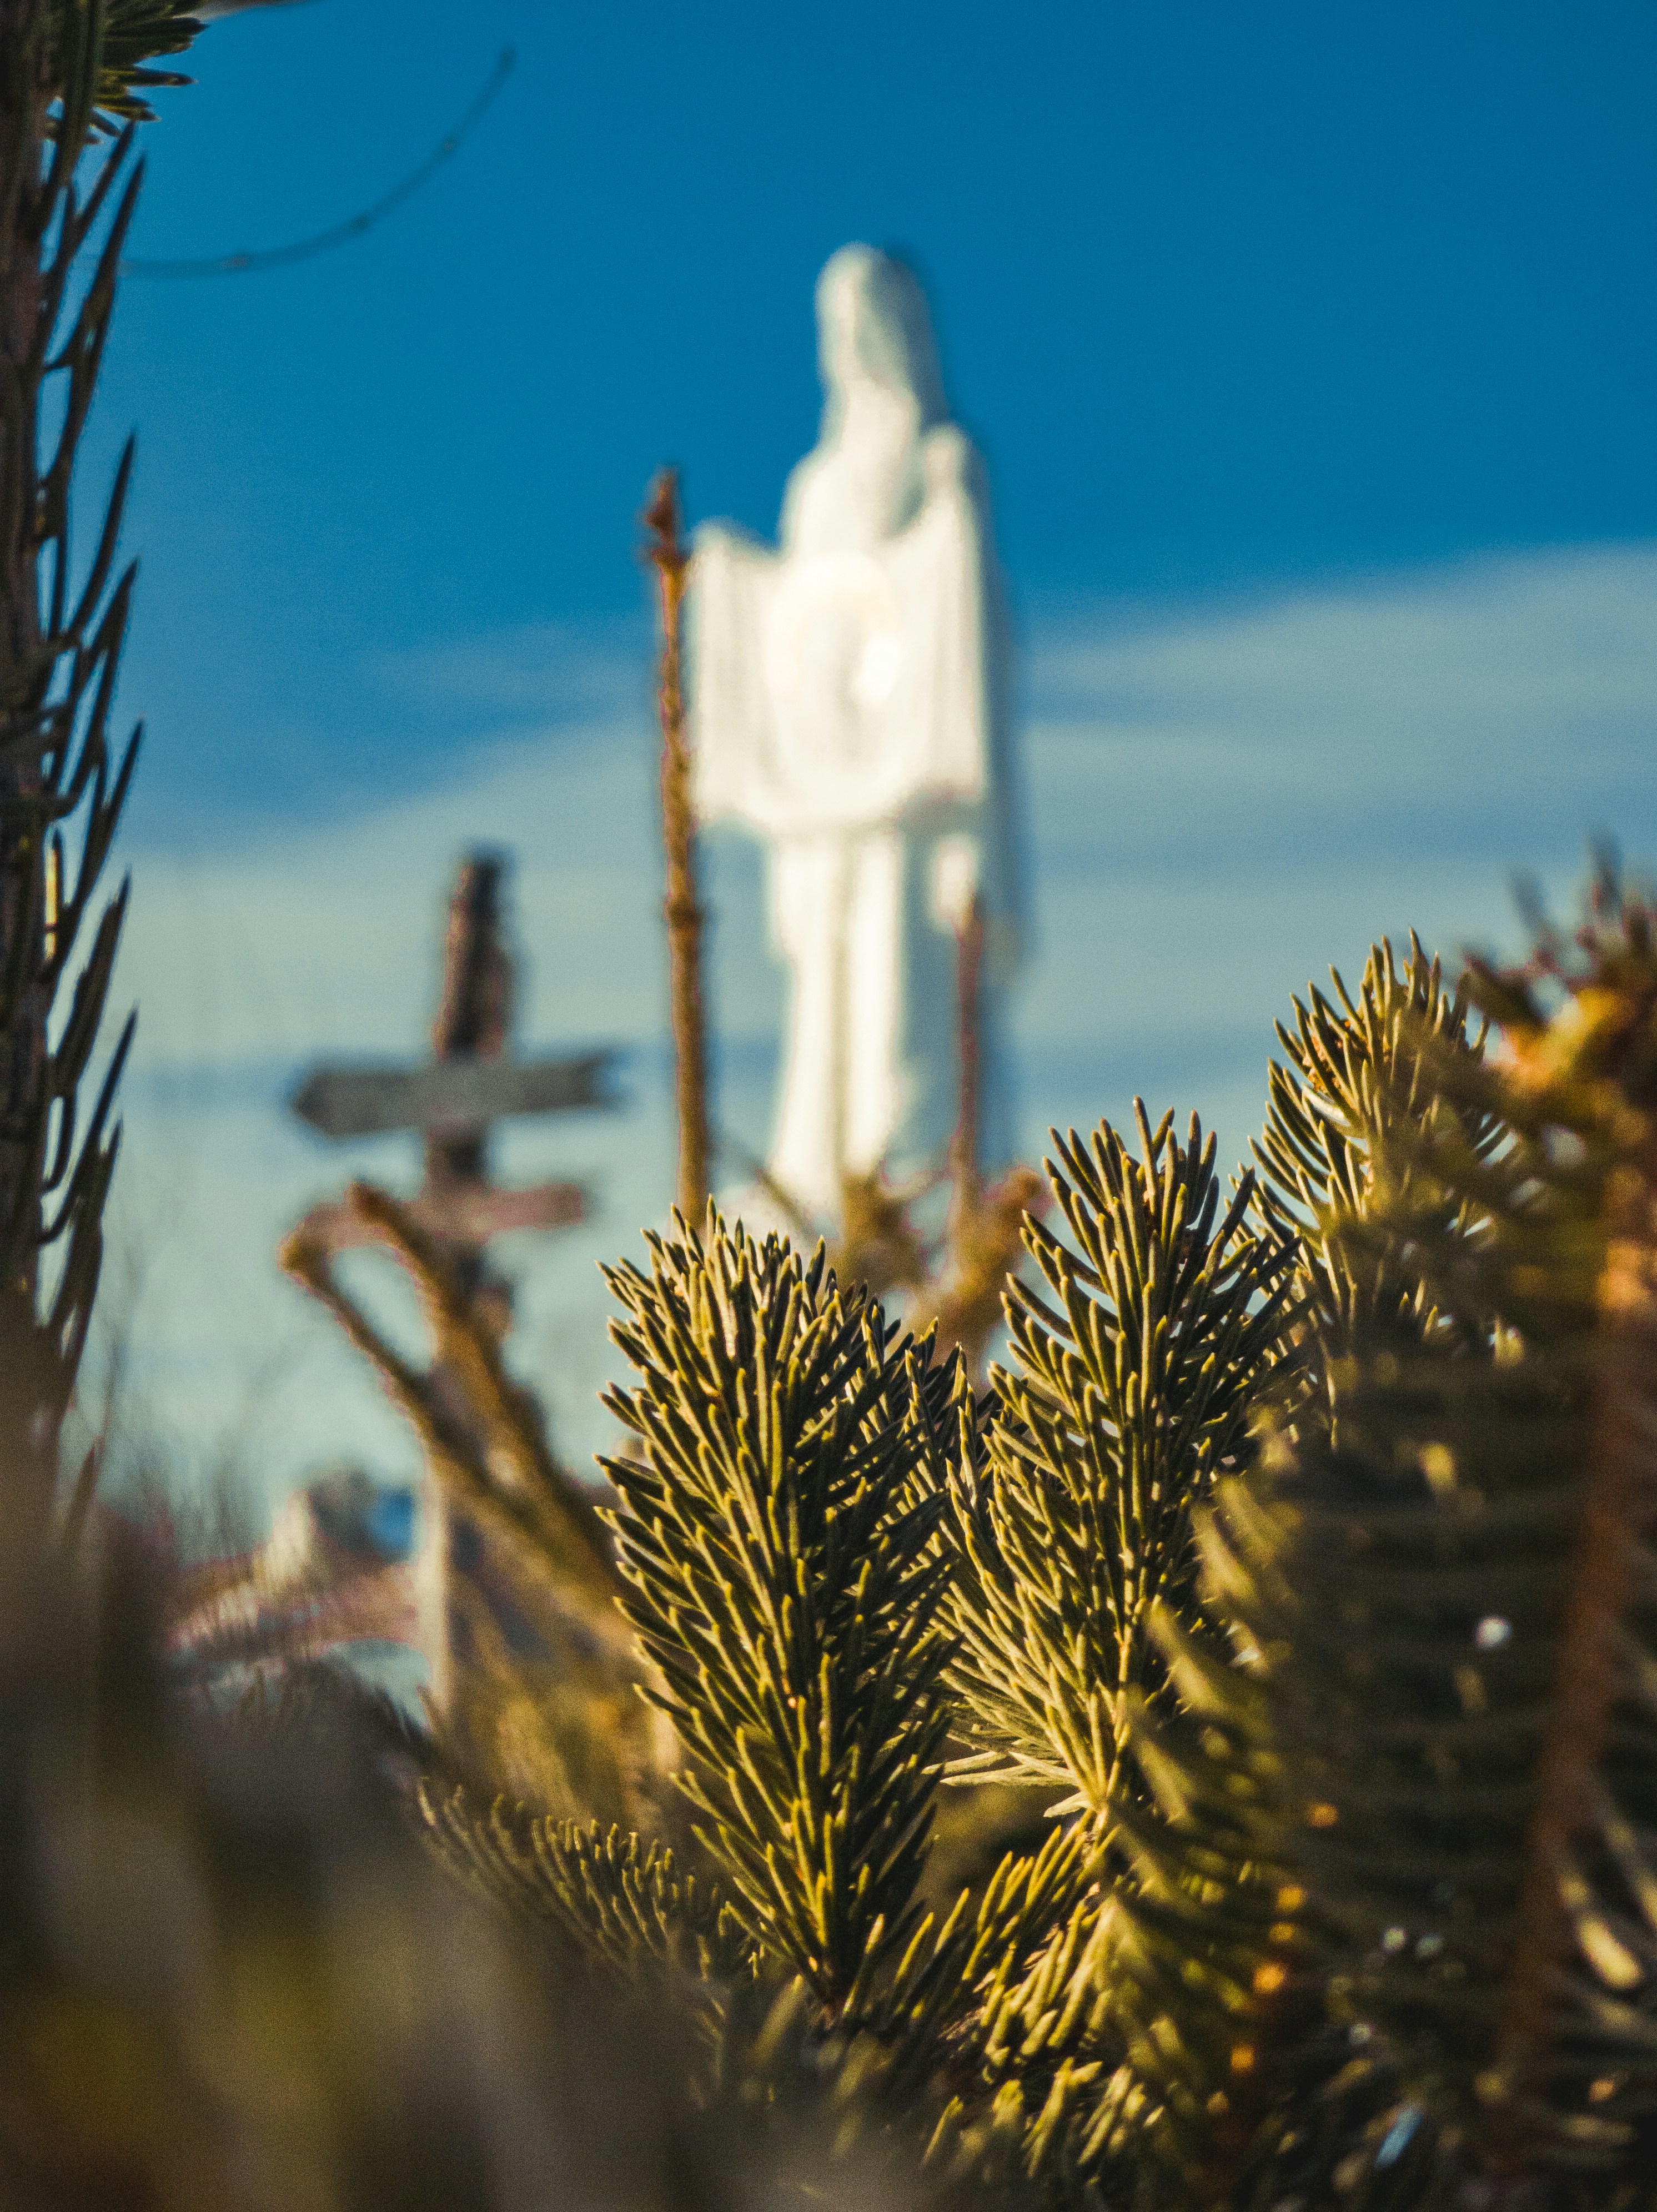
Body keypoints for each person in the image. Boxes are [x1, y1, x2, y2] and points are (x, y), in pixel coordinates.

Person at [691, 244, 1021, 1224]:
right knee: (829, 1002)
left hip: (908, 813)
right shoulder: (815, 483)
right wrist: (721, 578)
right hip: (828, 803)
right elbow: (807, 611)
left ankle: (905, 1171)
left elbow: (963, 631)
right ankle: (818, 1172)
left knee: (899, 996)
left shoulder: (936, 459)